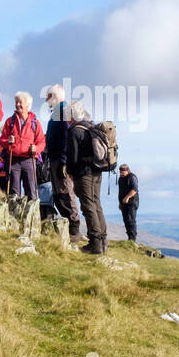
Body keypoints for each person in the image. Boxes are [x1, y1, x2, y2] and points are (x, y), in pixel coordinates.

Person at [65, 101, 107, 254]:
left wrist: (70, 172)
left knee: (88, 206)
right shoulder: (90, 126)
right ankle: (103, 241)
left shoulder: (74, 131)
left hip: (84, 173)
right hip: (97, 171)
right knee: (96, 203)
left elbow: (73, 157)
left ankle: (95, 244)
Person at [43, 83, 80, 239]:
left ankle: (74, 229)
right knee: (59, 194)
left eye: (48, 96)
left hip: (60, 159)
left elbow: (66, 137)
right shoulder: (56, 112)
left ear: (55, 96)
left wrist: (64, 162)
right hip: (55, 158)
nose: (46, 100)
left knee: (65, 192)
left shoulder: (63, 111)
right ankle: (69, 228)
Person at [0, 91, 45, 199]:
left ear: (28, 105)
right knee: (14, 193)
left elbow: (42, 142)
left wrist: (36, 148)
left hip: (29, 160)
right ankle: (14, 215)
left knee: (31, 191)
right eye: (16, 102)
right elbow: (2, 141)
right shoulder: (10, 121)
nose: (17, 105)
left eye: (20, 102)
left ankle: (32, 215)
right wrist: (8, 141)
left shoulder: (35, 123)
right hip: (13, 159)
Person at [118, 163, 139, 242]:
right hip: (123, 203)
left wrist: (127, 197)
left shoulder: (132, 177)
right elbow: (120, 192)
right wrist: (120, 203)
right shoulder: (120, 179)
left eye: (123, 171)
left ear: (127, 170)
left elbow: (134, 189)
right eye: (120, 171)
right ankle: (129, 238)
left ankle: (133, 239)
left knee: (131, 220)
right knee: (126, 220)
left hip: (132, 202)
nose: (121, 173)